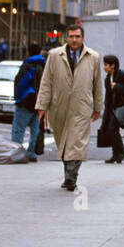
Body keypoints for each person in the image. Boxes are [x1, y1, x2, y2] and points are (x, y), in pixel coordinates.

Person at [35, 23, 103, 192]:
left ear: (83, 38)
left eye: (77, 37)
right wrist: (42, 105)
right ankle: (68, 175)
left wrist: (97, 107)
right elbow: (46, 82)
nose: (74, 40)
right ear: (66, 37)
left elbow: (97, 84)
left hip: (81, 107)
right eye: (71, 36)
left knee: (77, 143)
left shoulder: (93, 57)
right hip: (59, 106)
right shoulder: (54, 55)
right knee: (64, 143)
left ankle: (71, 177)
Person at [10, 43, 46, 163]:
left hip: (26, 102)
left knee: (18, 129)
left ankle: (17, 153)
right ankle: (32, 153)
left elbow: (20, 83)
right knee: (35, 130)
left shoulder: (27, 65)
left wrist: (18, 98)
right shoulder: (44, 65)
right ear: (40, 52)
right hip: (39, 103)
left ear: (29, 52)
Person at [98, 55, 124, 163]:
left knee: (112, 128)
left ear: (112, 65)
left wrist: (117, 87)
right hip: (112, 108)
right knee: (111, 129)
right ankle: (117, 153)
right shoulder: (107, 78)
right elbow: (108, 96)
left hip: (121, 107)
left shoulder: (121, 74)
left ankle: (121, 151)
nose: (104, 67)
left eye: (106, 65)